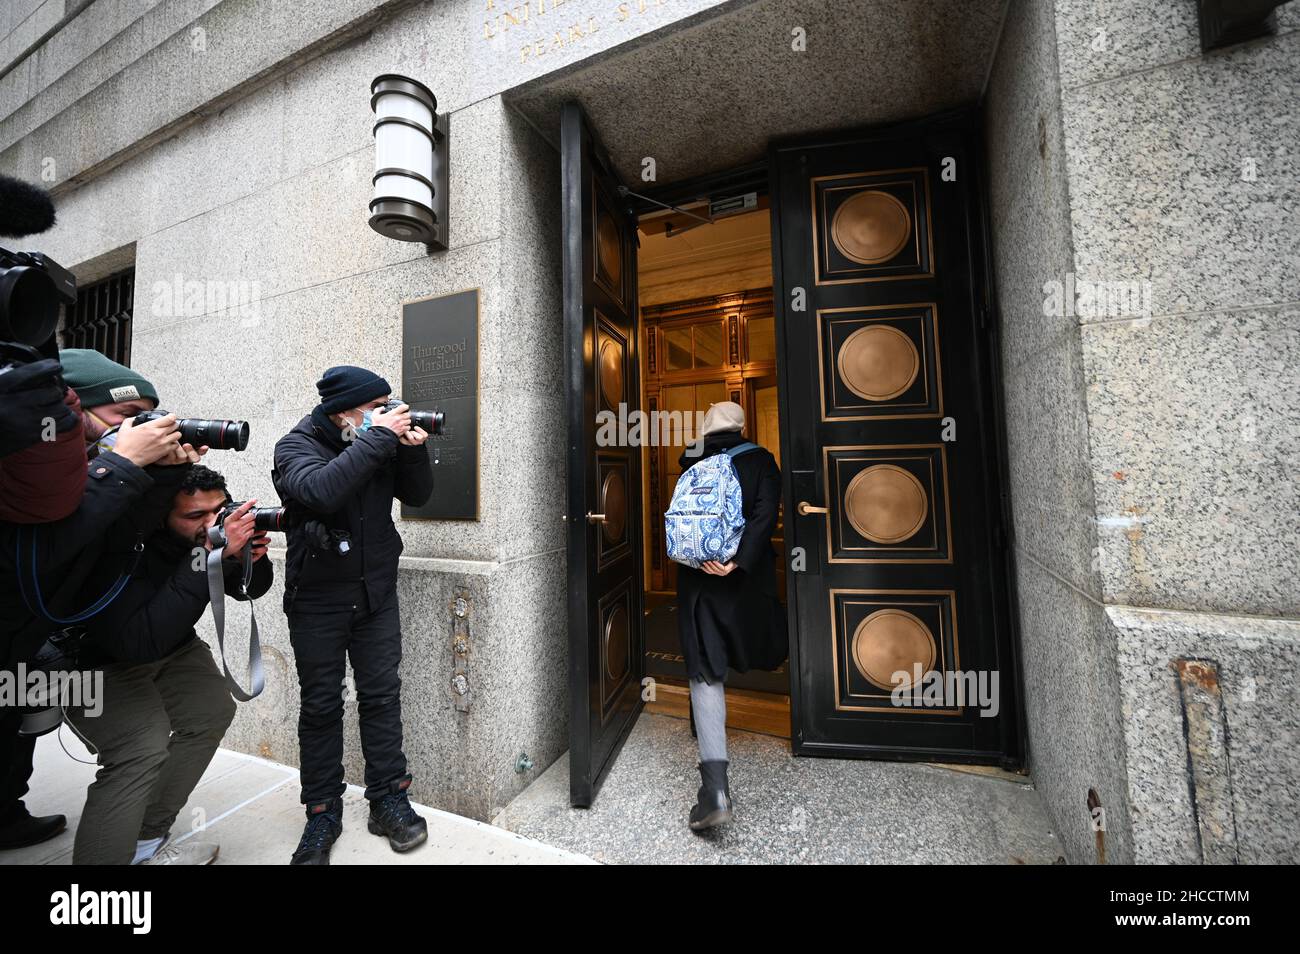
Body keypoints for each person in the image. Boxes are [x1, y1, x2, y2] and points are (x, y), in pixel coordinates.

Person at [0, 353, 192, 852]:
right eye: (122, 417)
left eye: (145, 416)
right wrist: (123, 462)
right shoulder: (30, 468)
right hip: (30, 621)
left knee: (12, 731)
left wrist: (164, 477)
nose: (136, 428)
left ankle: (5, 813)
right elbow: (50, 546)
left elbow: (116, 539)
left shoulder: (105, 465)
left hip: (26, 633)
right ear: (73, 413)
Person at [64, 464, 271, 864]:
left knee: (211, 710)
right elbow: (139, 641)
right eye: (195, 516)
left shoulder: (206, 538)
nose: (210, 524)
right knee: (140, 746)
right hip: (94, 661)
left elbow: (249, 590)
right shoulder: (122, 543)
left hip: (171, 646)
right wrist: (206, 556)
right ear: (161, 515)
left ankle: (146, 840)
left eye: (219, 511)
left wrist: (250, 558)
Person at [273, 365, 433, 865]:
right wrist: (376, 439)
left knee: (382, 696)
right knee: (321, 707)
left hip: (376, 593)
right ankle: (322, 812)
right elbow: (320, 491)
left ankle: (387, 797)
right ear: (345, 413)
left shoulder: (374, 439)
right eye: (378, 406)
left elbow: (419, 495)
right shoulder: (295, 446)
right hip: (317, 600)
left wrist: (411, 449)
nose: (390, 411)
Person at [674, 401, 787, 831]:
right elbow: (765, 515)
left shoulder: (691, 458)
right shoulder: (761, 460)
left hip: (699, 581)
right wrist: (738, 560)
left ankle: (715, 790)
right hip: (743, 582)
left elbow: (684, 520)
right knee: (759, 641)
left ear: (706, 425)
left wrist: (704, 558)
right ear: (742, 426)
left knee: (705, 671)